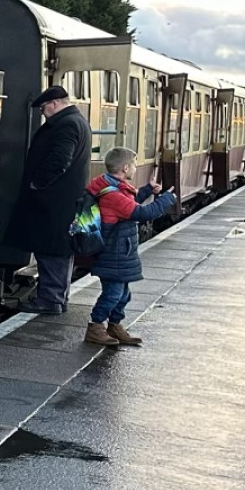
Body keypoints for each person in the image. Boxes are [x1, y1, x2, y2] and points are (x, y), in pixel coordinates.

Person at [83, 148, 177, 346]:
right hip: (113, 253)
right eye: (134, 164)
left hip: (120, 251)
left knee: (124, 294)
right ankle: (95, 326)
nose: (135, 168)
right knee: (113, 294)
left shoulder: (114, 187)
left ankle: (114, 325)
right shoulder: (113, 195)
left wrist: (148, 190)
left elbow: (129, 204)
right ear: (125, 168)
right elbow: (142, 213)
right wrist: (167, 199)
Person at [14, 86, 94, 313]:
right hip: (61, 201)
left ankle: (51, 299)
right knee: (60, 250)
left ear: (55, 103)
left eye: (43, 108)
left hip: (53, 201)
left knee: (51, 249)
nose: (43, 113)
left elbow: (60, 160)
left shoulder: (67, 124)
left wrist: (37, 182)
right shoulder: (77, 121)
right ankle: (58, 298)